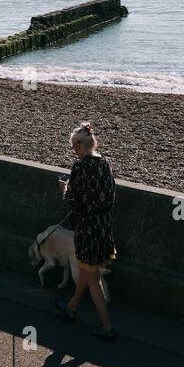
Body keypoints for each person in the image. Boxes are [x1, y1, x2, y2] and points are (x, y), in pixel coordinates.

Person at [55, 121, 117, 341]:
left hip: (87, 230)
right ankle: (71, 307)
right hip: (103, 227)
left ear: (81, 144)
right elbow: (111, 195)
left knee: (93, 278)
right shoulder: (105, 162)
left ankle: (107, 327)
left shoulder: (80, 166)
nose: (74, 151)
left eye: (74, 146)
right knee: (86, 270)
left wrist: (65, 189)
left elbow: (73, 202)